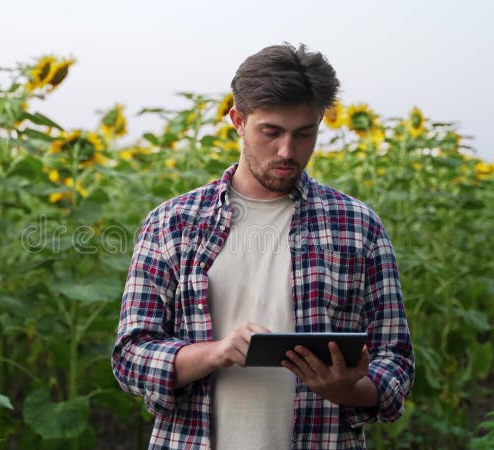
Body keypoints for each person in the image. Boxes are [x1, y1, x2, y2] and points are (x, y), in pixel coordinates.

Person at [111, 43, 414, 449]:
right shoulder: (173, 223)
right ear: (238, 120)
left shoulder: (358, 226)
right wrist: (217, 352)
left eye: (304, 134)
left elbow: (396, 362)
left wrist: (348, 390)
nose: (287, 151)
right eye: (270, 132)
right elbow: (131, 356)